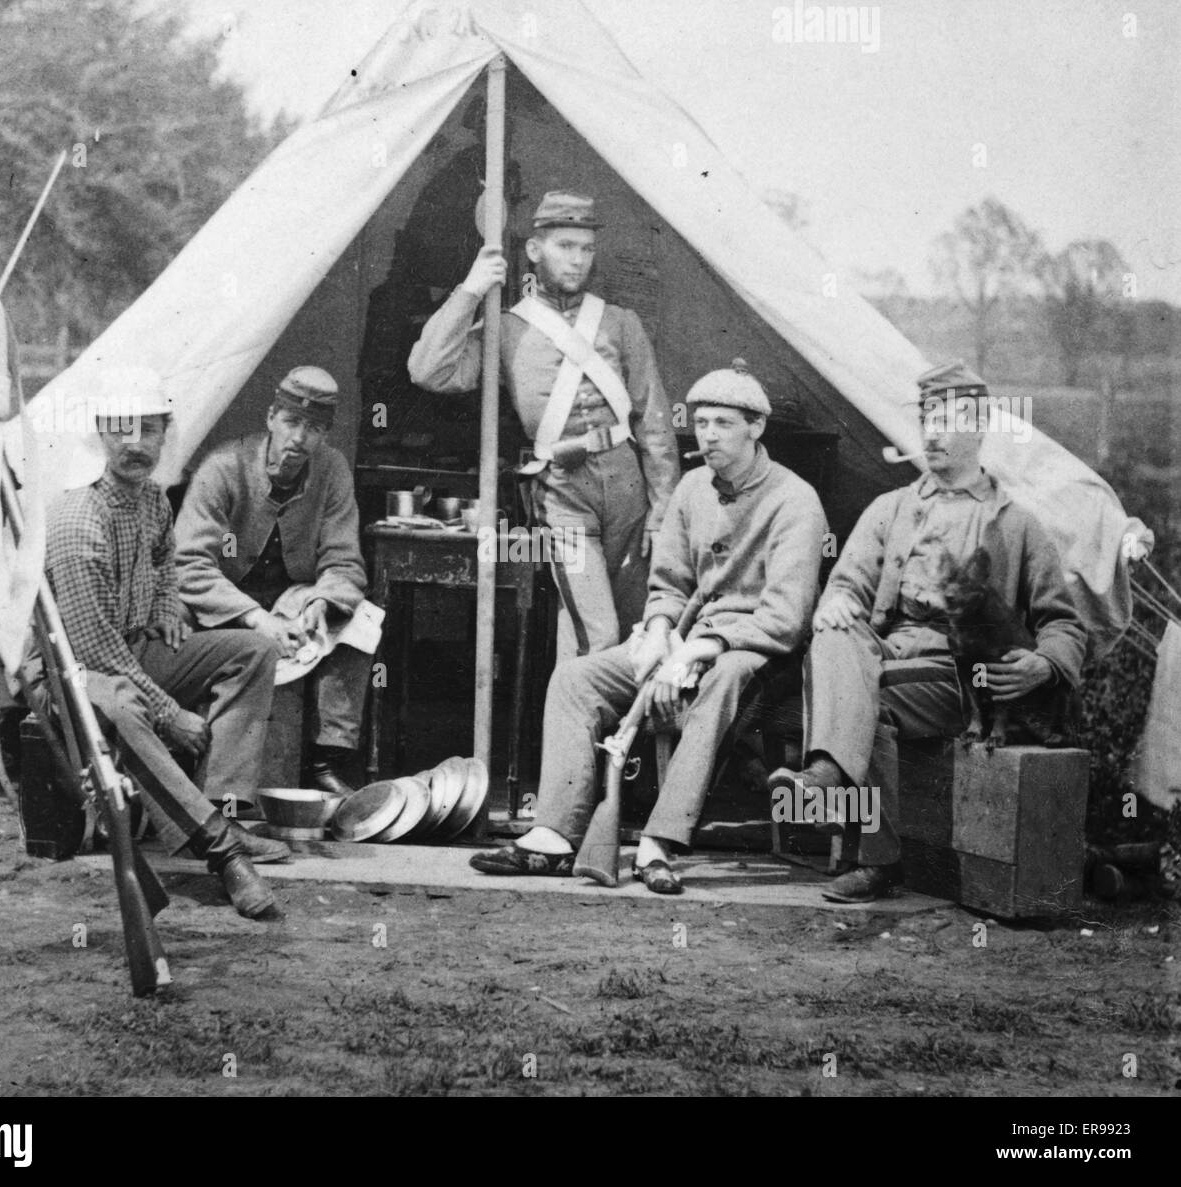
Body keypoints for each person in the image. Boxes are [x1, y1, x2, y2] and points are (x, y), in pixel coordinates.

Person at [468, 362, 827, 892]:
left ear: (756, 428)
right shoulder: (691, 490)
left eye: (724, 424)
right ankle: (554, 836)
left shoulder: (795, 500)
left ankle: (658, 844)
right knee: (577, 679)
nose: (708, 435)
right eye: (701, 423)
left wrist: (702, 648)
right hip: (685, 640)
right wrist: (659, 629)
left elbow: (787, 618)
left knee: (723, 680)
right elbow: (669, 583)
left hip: (759, 654)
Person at [768, 361, 1088, 902]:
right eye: (927, 419)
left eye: (950, 418)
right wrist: (836, 605)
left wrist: (1046, 663)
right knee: (834, 639)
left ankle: (855, 827)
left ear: (980, 426)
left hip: (959, 675)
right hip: (883, 653)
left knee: (870, 698)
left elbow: (1063, 622)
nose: (934, 432)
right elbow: (846, 586)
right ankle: (835, 790)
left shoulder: (1016, 524)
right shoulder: (890, 509)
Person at [28, 367, 288, 919]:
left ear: (163, 435)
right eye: (121, 429)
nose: (134, 443)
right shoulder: (79, 517)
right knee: (124, 705)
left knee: (253, 649)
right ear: (101, 433)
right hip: (68, 671)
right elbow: (93, 648)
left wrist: (169, 608)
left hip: (129, 650)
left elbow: (167, 563)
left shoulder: (152, 501)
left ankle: (224, 805)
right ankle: (224, 852)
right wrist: (170, 713)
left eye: (148, 430)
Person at [407, 190, 680, 662]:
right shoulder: (507, 327)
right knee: (597, 636)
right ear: (534, 250)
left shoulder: (621, 323)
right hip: (563, 494)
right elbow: (429, 370)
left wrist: (663, 510)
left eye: (586, 248)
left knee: (637, 635)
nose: (578, 260)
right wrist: (471, 289)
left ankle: (589, 736)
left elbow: (654, 422)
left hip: (629, 491)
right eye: (564, 246)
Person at [175, 367, 372, 797]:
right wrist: (255, 619)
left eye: (315, 428)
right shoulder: (224, 468)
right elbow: (190, 564)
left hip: (291, 600)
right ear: (270, 418)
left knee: (362, 619)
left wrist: (322, 603)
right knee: (173, 617)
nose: (300, 438)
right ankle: (184, 754)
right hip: (224, 601)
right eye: (292, 422)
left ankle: (327, 757)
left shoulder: (332, 470)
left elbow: (344, 560)